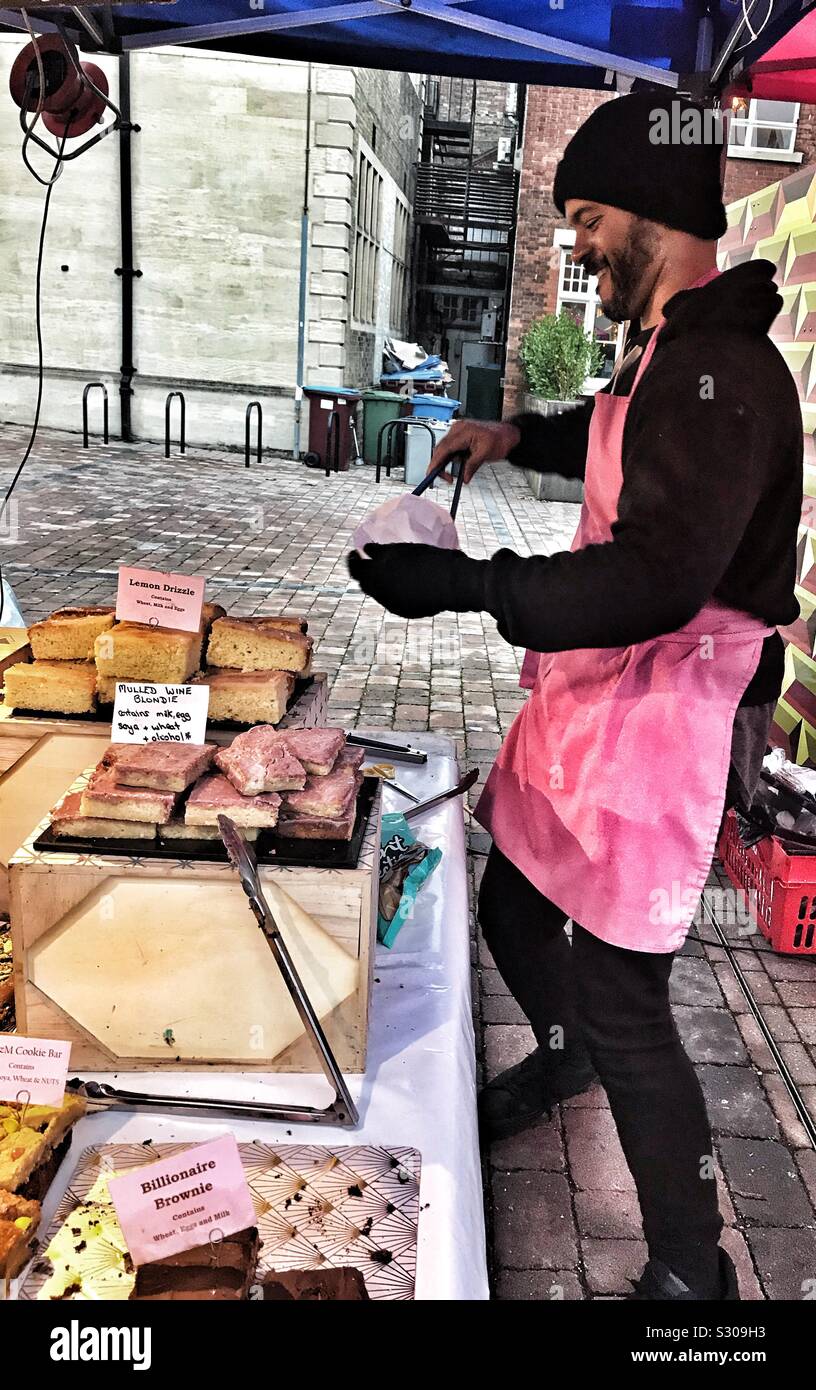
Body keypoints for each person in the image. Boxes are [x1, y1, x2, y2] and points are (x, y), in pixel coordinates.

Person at [347, 91, 802, 1301]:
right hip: (601, 696)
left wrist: (460, 582)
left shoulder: (727, 372)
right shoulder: (667, 349)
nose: (579, 245)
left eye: (591, 218)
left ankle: (694, 1275)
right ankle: (558, 1060)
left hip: (665, 718)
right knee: (510, 900)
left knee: (627, 996)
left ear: (655, 211)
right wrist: (512, 439)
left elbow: (656, 574)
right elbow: (616, 438)